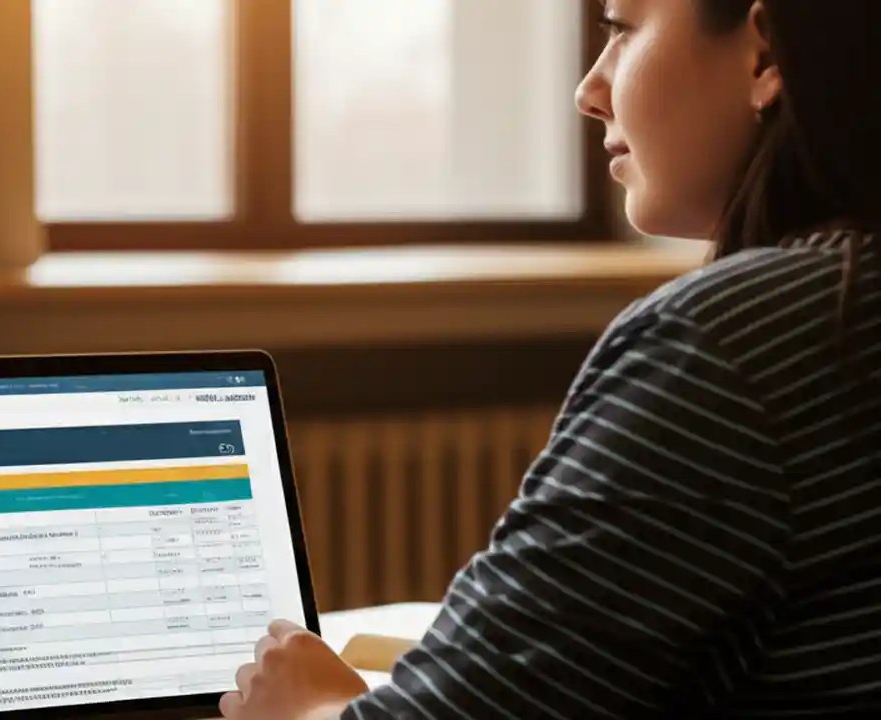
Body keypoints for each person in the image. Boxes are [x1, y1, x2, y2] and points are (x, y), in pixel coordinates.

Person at [220, 1, 881, 717]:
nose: (588, 91)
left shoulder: (724, 351)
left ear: (764, 58)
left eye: (622, 29)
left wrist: (306, 706)